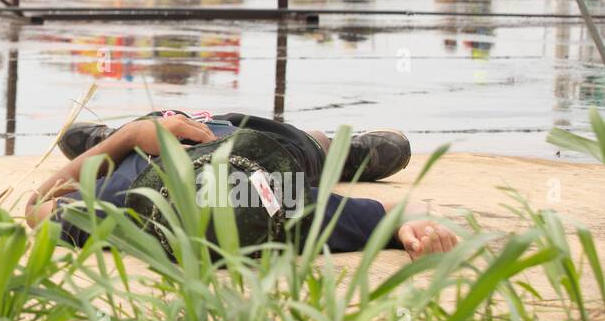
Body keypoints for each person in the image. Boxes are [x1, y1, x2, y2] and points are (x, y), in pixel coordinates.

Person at [27, 109, 455, 261]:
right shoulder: (286, 208)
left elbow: (36, 205)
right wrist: (411, 229)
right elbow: (393, 216)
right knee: (309, 146)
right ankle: (338, 151)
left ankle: (110, 137)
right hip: (263, 140)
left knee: (103, 140)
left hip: (156, 134)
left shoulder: (127, 208)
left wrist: (129, 138)